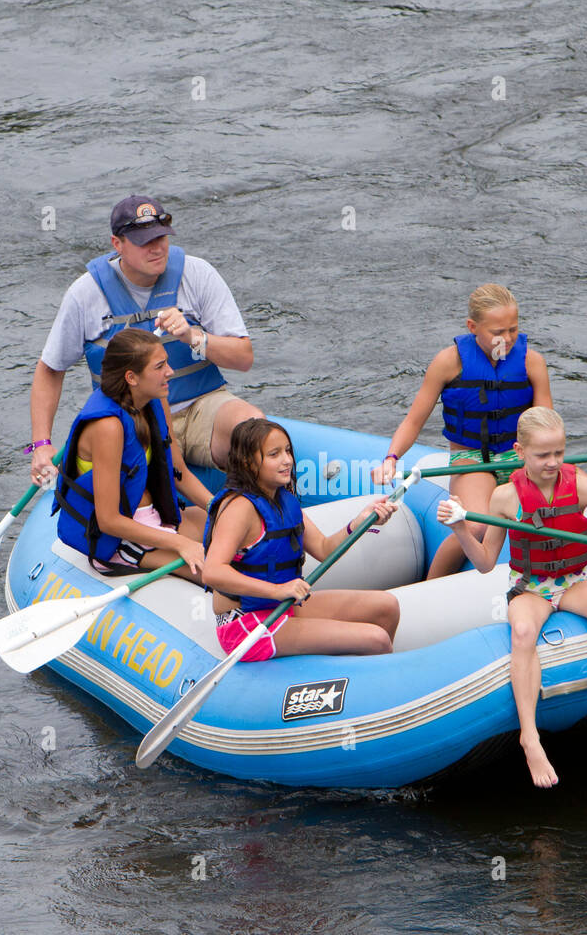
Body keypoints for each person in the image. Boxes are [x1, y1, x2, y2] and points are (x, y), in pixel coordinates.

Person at [437, 407, 587, 787]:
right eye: (543, 455)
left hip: (572, 581)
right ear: (520, 452)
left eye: (559, 452)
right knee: (522, 633)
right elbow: (486, 563)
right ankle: (530, 737)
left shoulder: (581, 485)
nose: (553, 462)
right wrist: (459, 527)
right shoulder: (504, 498)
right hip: (531, 587)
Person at [28, 195, 263, 482]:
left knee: (253, 431)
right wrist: (42, 445)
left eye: (161, 238)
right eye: (144, 241)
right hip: (135, 417)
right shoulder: (85, 294)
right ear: (118, 244)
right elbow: (51, 369)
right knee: (146, 480)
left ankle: (266, 516)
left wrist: (193, 336)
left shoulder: (198, 274)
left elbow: (243, 358)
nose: (156, 249)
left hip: (202, 405)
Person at [372, 284, 551, 579]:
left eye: (513, 330)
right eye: (497, 332)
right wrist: (391, 457)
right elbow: (413, 422)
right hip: (472, 458)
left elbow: (547, 424)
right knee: (477, 525)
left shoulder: (532, 362)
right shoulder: (448, 362)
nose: (506, 339)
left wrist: (544, 464)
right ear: (472, 327)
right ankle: (429, 587)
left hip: (519, 457)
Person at [203, 418, 401, 661]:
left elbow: (324, 549)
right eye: (274, 454)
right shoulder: (239, 508)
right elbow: (212, 572)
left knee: (386, 607)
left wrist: (359, 522)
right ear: (248, 462)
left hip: (284, 607)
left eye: (287, 451)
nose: (287, 460)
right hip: (245, 623)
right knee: (376, 639)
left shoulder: (283, 500)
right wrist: (277, 590)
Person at [52, 328, 214, 579]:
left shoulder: (154, 399)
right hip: (121, 541)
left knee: (245, 539)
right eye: (159, 367)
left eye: (167, 363)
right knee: (221, 576)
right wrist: (181, 544)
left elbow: (177, 471)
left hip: (157, 519)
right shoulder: (108, 427)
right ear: (132, 377)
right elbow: (108, 520)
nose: (170, 372)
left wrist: (219, 509)